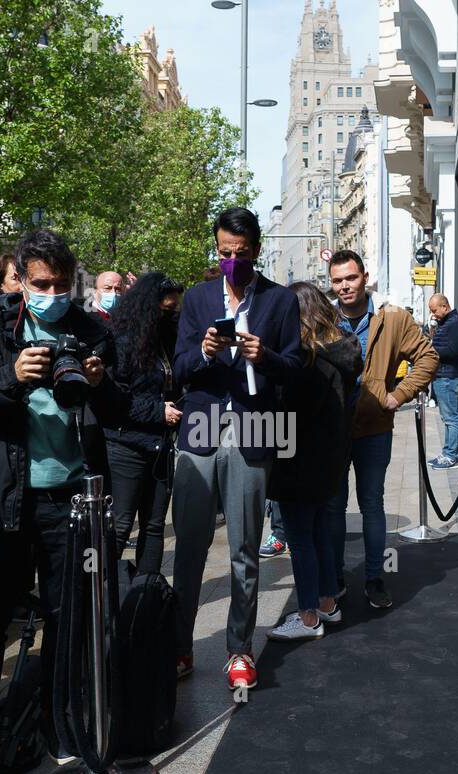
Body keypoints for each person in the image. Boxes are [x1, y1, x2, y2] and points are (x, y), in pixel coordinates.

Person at [0, 229, 128, 774]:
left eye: (63, 284)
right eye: (41, 283)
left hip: (71, 499)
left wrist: (98, 383)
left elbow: (121, 411)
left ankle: (60, 722)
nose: (53, 293)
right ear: (20, 279)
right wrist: (11, 377)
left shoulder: (94, 331)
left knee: (68, 616)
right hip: (3, 502)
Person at [171, 207, 301, 689]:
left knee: (245, 548)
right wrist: (204, 351)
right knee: (189, 547)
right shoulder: (198, 299)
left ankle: (239, 649)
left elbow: (294, 368)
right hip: (202, 427)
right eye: (224, 253)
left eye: (240, 254)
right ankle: (179, 645)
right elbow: (179, 369)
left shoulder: (280, 301)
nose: (231, 261)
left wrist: (262, 355)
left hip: (253, 429)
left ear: (256, 250)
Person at [327, 250, 437, 610]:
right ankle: (335, 578)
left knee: (372, 504)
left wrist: (397, 396)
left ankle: (374, 577)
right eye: (338, 280)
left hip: (374, 427)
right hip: (333, 429)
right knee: (334, 506)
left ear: (365, 277)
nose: (345, 286)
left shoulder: (392, 318)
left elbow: (428, 357)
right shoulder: (325, 319)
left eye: (351, 278)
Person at [265, 282, 362, 640]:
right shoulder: (339, 349)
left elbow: (292, 415)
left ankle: (307, 616)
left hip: (300, 462)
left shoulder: (308, 360)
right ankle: (325, 602)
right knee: (318, 532)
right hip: (329, 459)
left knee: (300, 538)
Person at [104, 272, 184, 575]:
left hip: (160, 447)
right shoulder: (122, 340)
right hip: (127, 446)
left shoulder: (165, 340)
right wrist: (157, 412)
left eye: (174, 309)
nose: (171, 314)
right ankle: (104, 603)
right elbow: (113, 400)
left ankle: (145, 596)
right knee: (121, 526)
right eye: (166, 309)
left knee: (153, 527)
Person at [427, 293, 458, 469]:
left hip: (448, 377)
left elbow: (451, 351)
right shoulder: (446, 324)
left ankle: (451, 457)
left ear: (444, 306)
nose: (433, 314)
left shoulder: (456, 324)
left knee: (451, 418)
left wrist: (430, 348)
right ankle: (447, 453)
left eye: (434, 310)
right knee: (447, 418)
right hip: (443, 376)